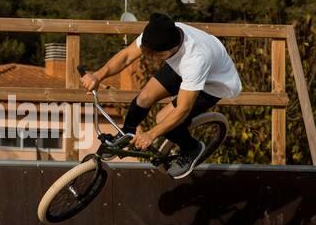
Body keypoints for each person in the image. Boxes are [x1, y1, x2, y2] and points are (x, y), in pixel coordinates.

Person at [81, 12, 242, 179]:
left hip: (215, 83)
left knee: (164, 119)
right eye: (147, 53)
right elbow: (127, 56)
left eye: (155, 56)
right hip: (182, 68)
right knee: (144, 97)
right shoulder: (158, 32)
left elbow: (182, 110)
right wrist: (97, 76)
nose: (150, 58)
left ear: (171, 49)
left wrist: (152, 134)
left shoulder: (195, 60)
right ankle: (125, 134)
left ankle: (191, 148)